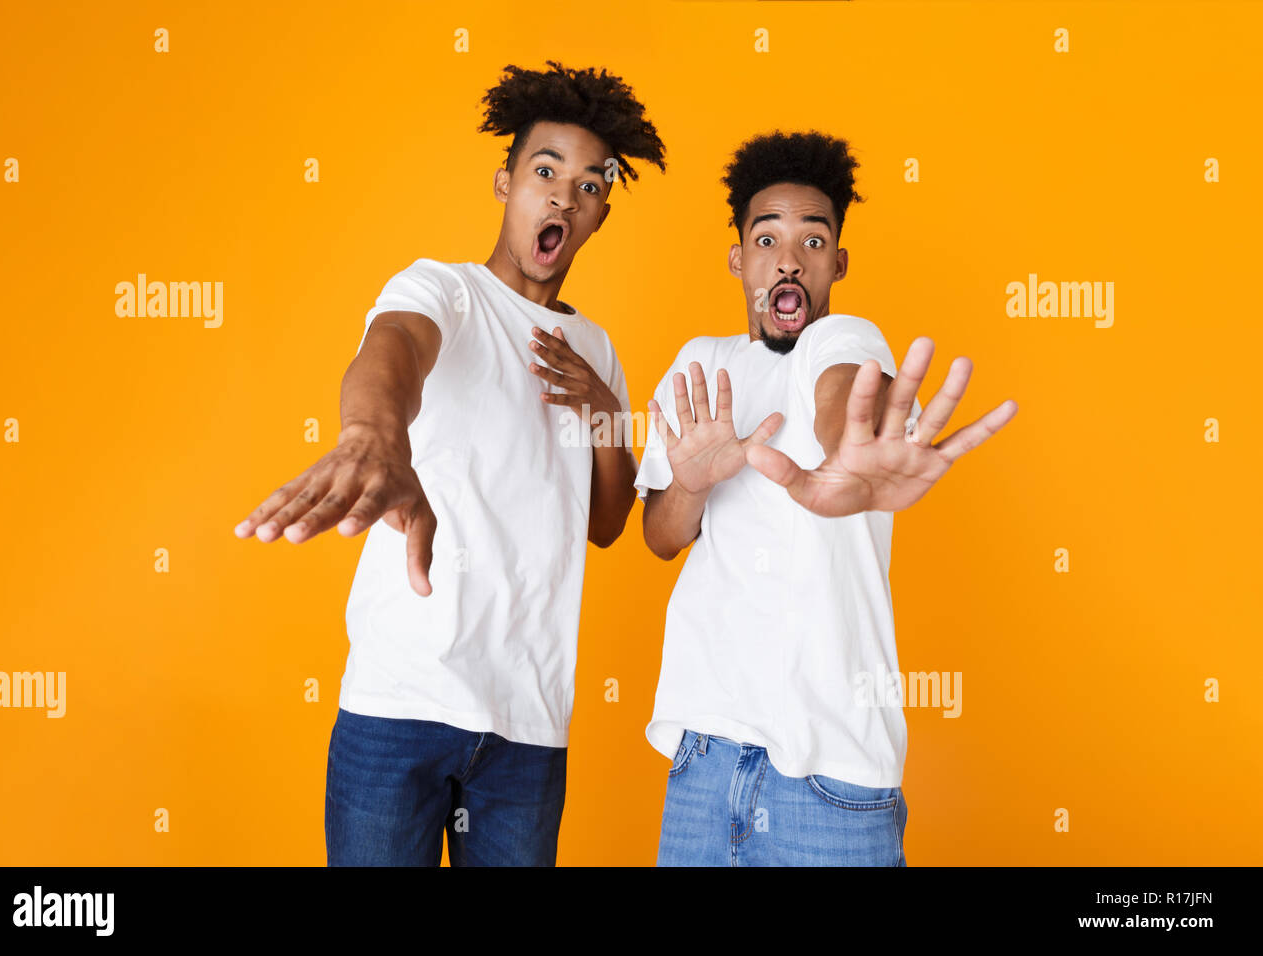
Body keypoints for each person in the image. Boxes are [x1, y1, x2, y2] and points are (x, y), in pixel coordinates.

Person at [233, 61, 665, 866]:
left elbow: (605, 525)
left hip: (529, 726)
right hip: (402, 705)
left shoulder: (598, 350)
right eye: (545, 172)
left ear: (601, 212)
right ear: (505, 183)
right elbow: (391, 347)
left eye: (589, 186)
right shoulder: (445, 290)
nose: (563, 198)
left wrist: (608, 415)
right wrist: (372, 436)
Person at [636, 130, 1017, 866]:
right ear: (738, 258)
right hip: (705, 758)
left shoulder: (844, 337)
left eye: (813, 241)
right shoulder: (701, 365)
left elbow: (841, 388)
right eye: (767, 238)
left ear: (837, 262)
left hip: (831, 776)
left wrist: (857, 442)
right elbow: (660, 536)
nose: (788, 258)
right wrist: (690, 482)